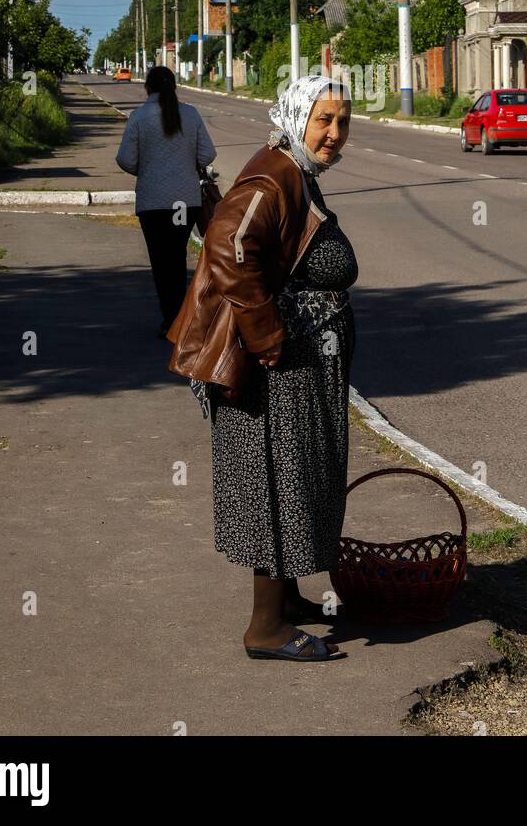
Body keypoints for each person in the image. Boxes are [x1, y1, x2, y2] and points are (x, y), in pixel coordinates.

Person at [169, 74, 356, 662]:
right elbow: (227, 246)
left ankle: (286, 598)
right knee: (279, 481)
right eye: (322, 120)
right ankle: (265, 628)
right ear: (297, 116)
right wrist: (267, 332)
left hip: (299, 369)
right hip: (276, 372)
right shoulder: (271, 175)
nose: (332, 133)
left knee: (293, 480)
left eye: (342, 121)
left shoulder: (294, 169)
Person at [116, 65, 216, 335]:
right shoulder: (190, 114)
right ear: (173, 86)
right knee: (178, 258)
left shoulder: (138, 117)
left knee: (161, 264)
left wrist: (146, 169)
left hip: (153, 203)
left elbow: (125, 159)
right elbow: (208, 153)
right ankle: (182, 318)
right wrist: (185, 164)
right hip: (185, 200)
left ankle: (172, 319)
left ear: (147, 87)